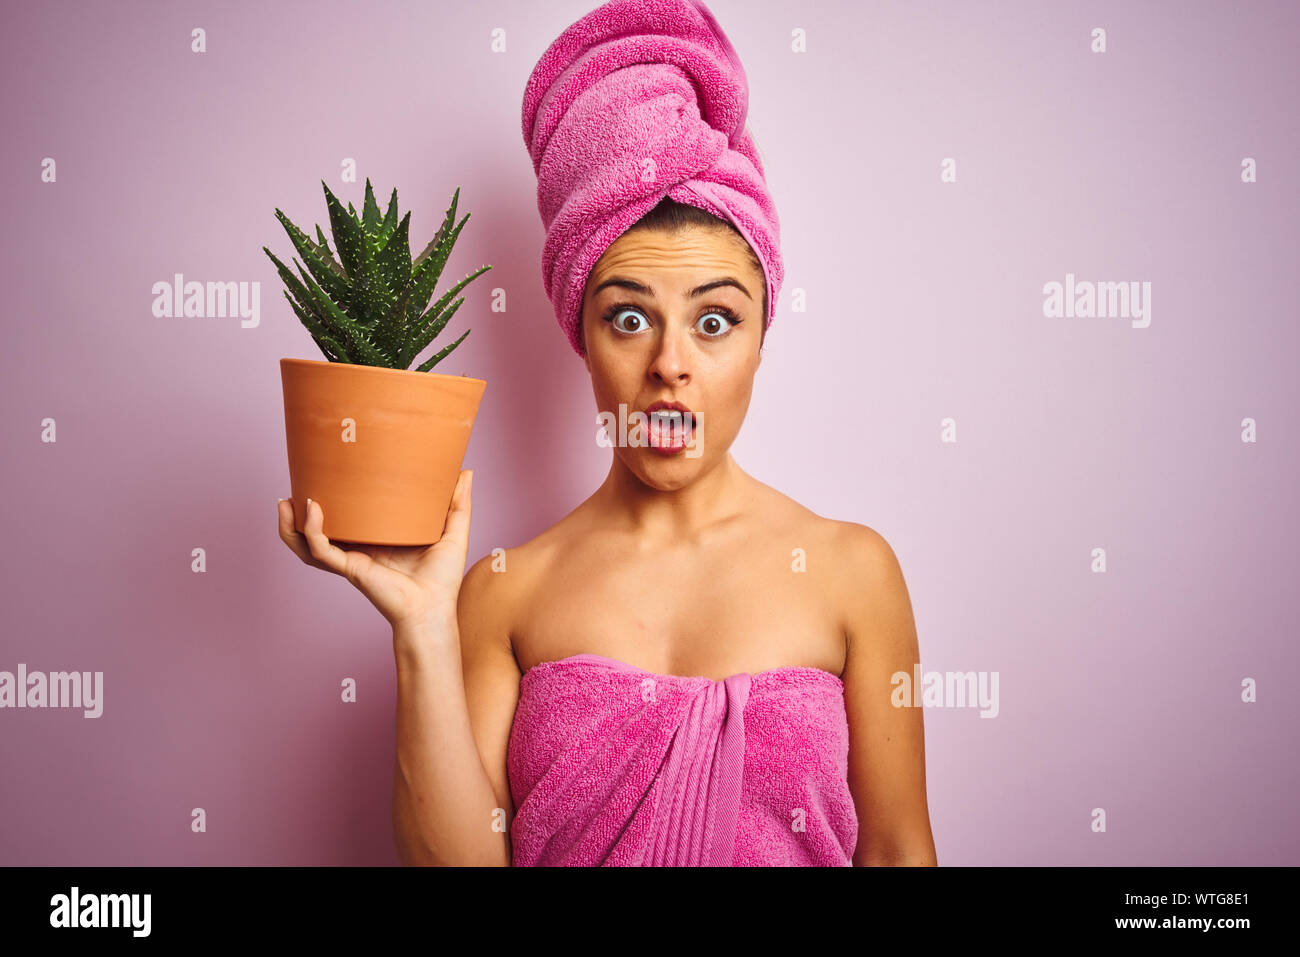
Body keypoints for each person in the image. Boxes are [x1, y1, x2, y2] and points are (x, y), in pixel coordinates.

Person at [277, 0, 937, 867]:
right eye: (628, 318)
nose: (670, 363)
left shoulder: (856, 575)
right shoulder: (504, 595)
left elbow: (898, 851)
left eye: (715, 322)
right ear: (578, 334)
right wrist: (423, 627)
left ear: (762, 338)